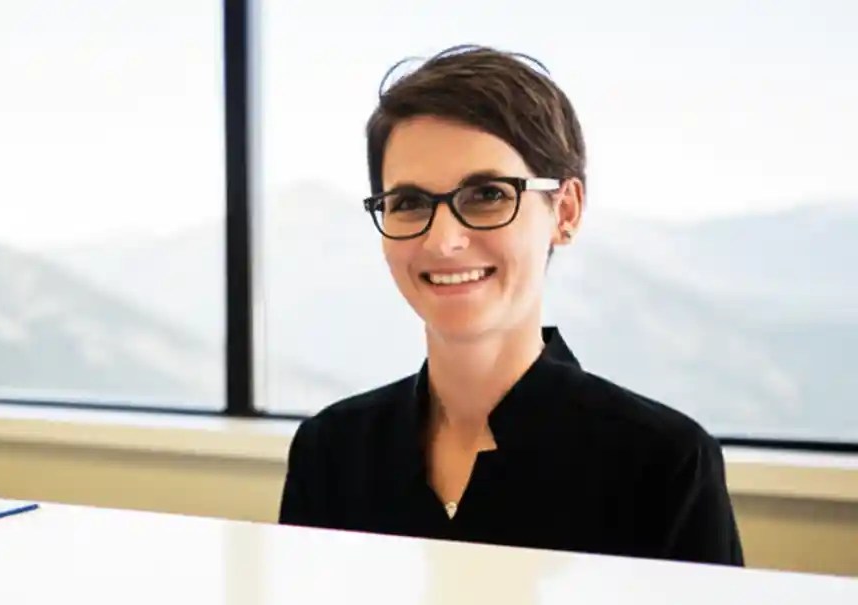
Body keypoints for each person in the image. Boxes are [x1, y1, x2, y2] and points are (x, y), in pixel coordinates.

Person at [278, 45, 744, 566]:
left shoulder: (665, 465)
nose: (444, 241)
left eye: (487, 195)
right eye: (408, 203)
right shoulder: (331, 452)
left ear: (565, 211)